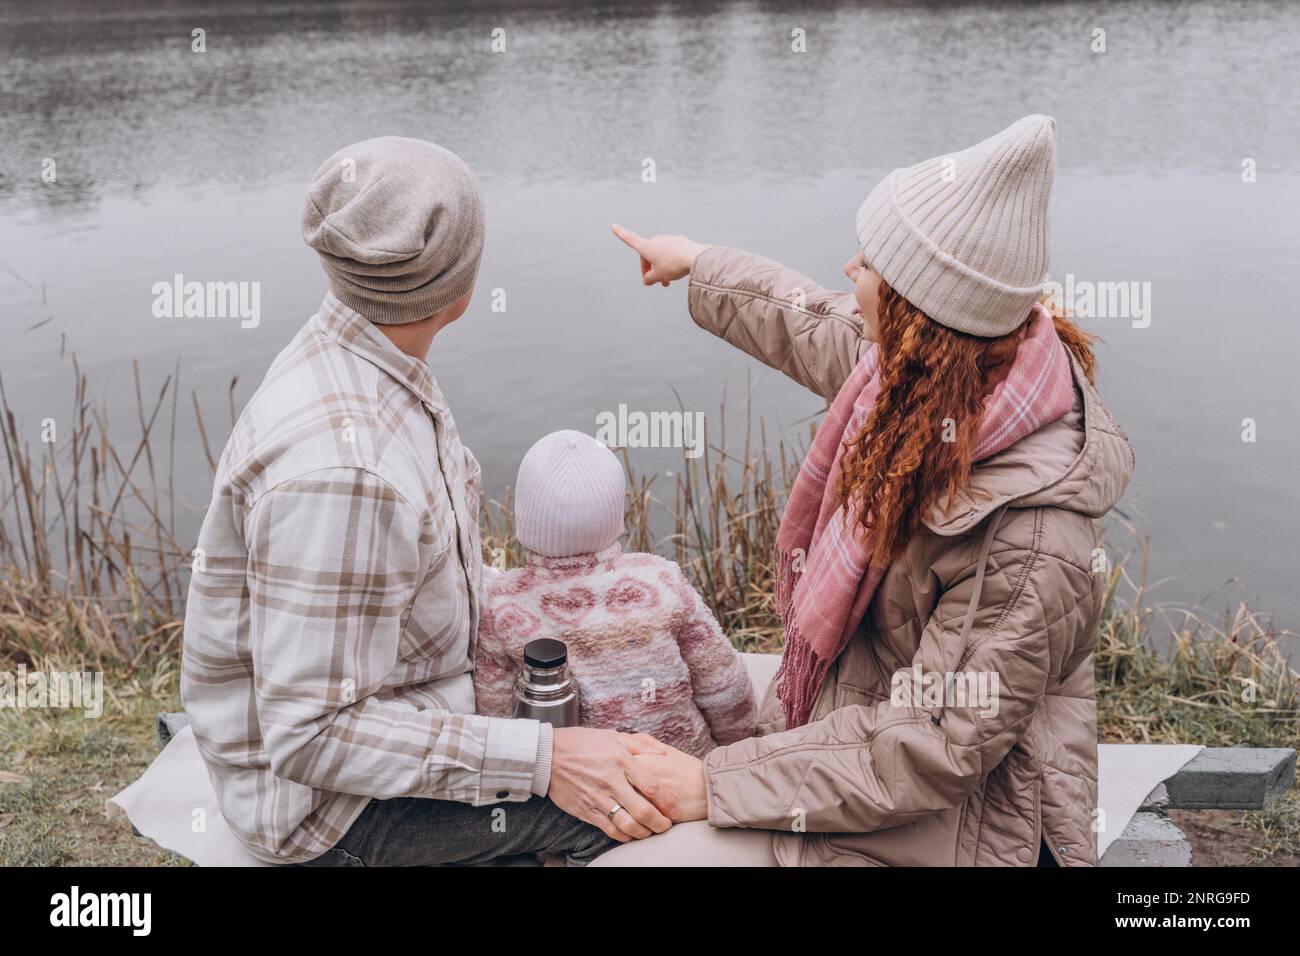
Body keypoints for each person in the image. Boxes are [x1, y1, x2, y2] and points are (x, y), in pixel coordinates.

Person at [607, 115, 1135, 866]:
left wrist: (713, 785)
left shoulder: (1031, 539)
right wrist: (697, 263)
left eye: (874, 264)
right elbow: (806, 319)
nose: (850, 266)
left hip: (977, 822)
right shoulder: (932, 377)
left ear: (920, 319)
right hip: (876, 730)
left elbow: (931, 746)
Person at [181, 137, 670, 867]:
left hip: (401, 715)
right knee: (627, 811)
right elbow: (311, 737)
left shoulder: (360, 352)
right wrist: (543, 761)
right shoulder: (347, 474)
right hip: (331, 820)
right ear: (459, 285)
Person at [475, 430, 757, 756]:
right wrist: (734, 749)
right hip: (683, 768)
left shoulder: (501, 602)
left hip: (583, 787)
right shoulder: (660, 577)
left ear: (521, 518)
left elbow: (493, 710)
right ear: (616, 516)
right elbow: (725, 685)